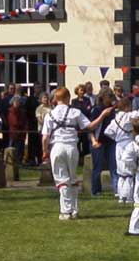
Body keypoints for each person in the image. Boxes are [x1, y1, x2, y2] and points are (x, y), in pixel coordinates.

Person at [40, 87, 111, 220]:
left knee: (62, 180)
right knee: (72, 179)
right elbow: (90, 127)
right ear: (67, 98)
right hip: (72, 147)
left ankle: (66, 211)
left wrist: (44, 151)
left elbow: (45, 137)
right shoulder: (75, 112)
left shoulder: (49, 115)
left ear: (56, 99)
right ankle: (74, 210)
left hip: (57, 147)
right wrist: (102, 115)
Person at [104, 96, 139, 204]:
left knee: (120, 172)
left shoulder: (114, 120)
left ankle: (121, 195)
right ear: (127, 107)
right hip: (128, 143)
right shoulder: (129, 116)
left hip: (118, 145)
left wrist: (116, 137)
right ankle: (128, 196)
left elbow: (107, 132)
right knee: (129, 171)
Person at [89, 88, 118, 196]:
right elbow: (90, 127)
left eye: (112, 96)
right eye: (109, 96)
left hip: (111, 141)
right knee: (97, 167)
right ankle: (96, 190)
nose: (111, 98)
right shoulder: (96, 110)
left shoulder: (113, 110)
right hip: (98, 140)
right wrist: (93, 141)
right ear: (103, 97)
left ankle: (117, 190)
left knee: (114, 166)